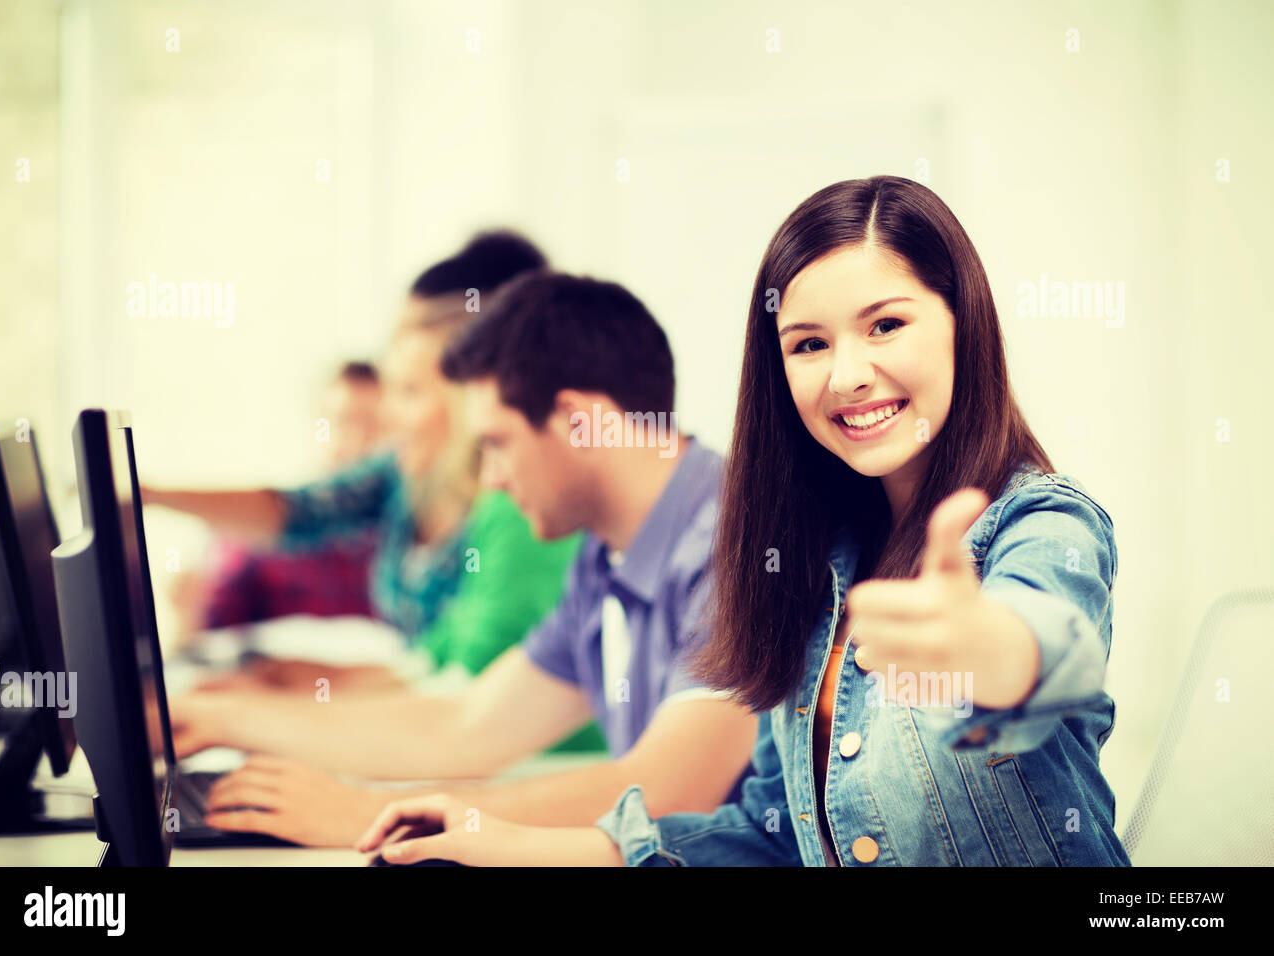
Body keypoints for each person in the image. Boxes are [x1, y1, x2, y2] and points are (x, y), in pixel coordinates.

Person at [354, 175, 1132, 867]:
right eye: (809, 344)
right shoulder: (811, 558)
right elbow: (768, 834)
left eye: (887, 325)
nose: (849, 374)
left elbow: (1051, 639)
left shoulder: (1042, 520)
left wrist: (993, 651)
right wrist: (509, 842)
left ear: (964, 323)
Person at [167, 272, 759, 848]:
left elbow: (672, 790)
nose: (492, 482)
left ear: (579, 423)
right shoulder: (605, 555)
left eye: (496, 444)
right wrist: (223, 717)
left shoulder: (734, 542)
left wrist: (372, 813)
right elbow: (470, 724)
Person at [168, 360, 386, 642]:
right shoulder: (259, 534)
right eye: (343, 422)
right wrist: (186, 609)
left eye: (373, 425)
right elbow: (205, 644)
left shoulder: (409, 543)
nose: (357, 442)